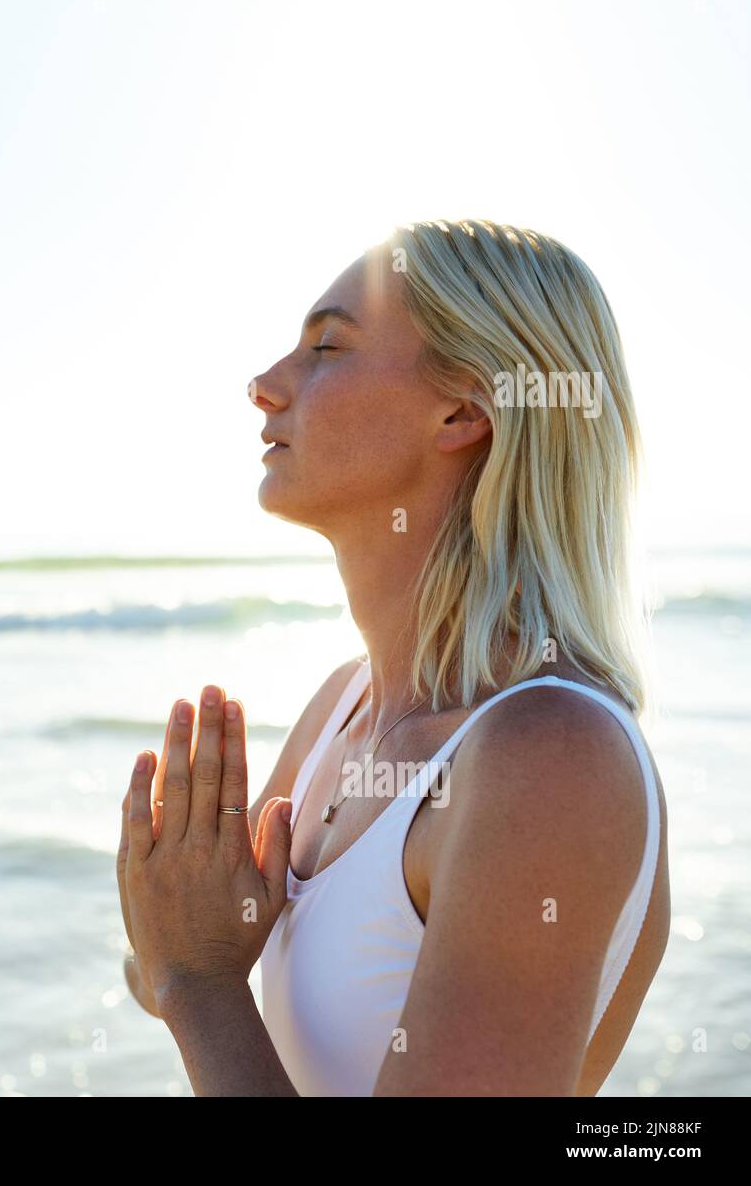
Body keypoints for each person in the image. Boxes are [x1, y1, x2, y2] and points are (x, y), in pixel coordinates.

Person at [116, 219, 669, 1096]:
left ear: (464, 409)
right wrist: (174, 944)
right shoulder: (345, 706)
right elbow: (163, 959)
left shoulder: (551, 755)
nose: (264, 386)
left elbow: (187, 973)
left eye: (327, 346)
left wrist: (201, 983)